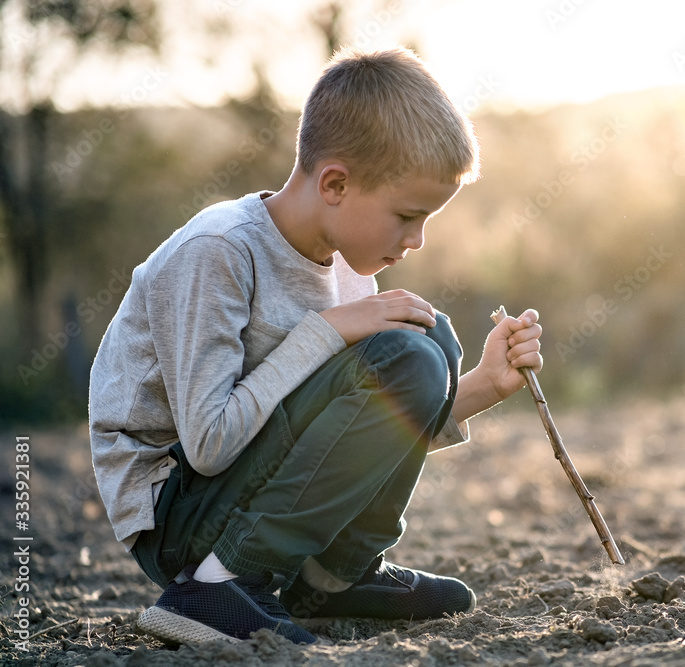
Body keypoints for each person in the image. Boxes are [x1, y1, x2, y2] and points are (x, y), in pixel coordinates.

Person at [88, 45, 543, 647]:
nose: (418, 240)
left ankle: (330, 579)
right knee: (404, 352)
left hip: (239, 495)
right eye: (407, 215)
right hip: (179, 515)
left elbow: (352, 433)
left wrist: (483, 384)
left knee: (429, 340)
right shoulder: (219, 253)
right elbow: (209, 444)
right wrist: (327, 332)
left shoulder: (349, 270)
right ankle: (215, 590)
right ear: (335, 183)